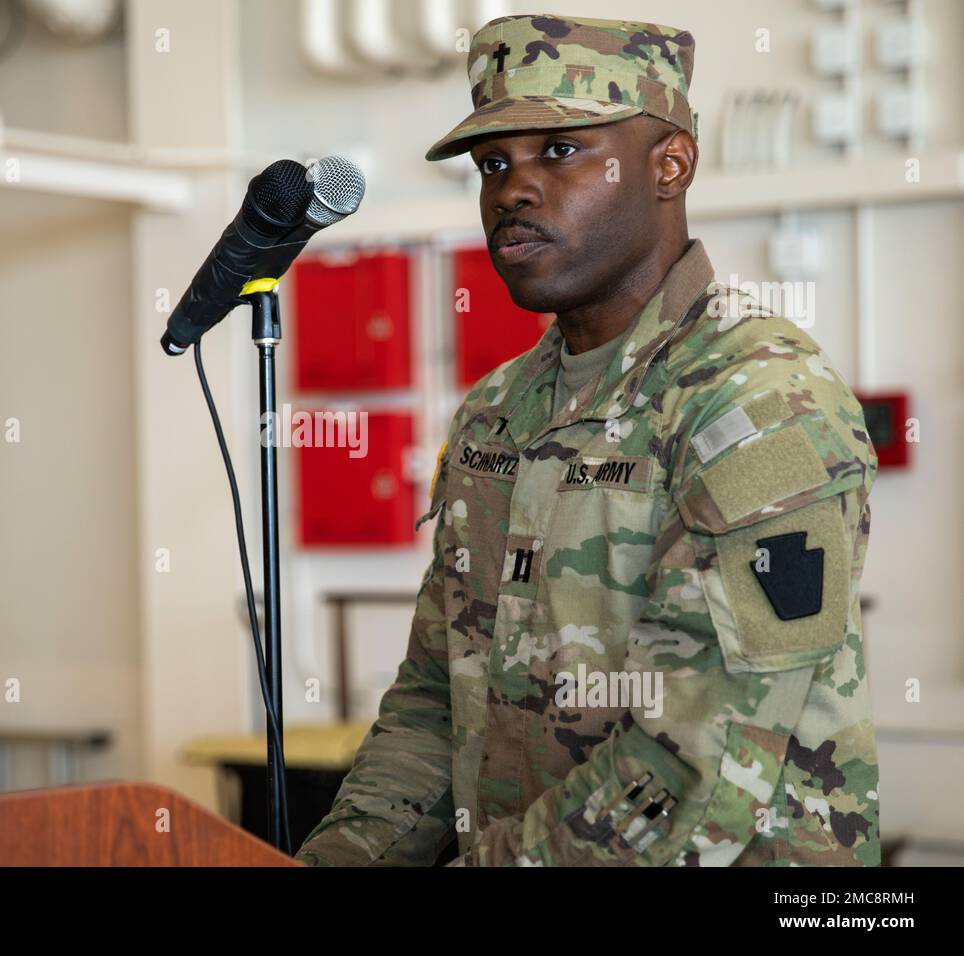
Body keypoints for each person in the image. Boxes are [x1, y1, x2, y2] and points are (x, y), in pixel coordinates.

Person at [296, 13, 880, 867]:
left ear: (670, 164)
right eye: (494, 164)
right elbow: (432, 701)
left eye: (560, 151)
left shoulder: (758, 401)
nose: (512, 190)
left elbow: (694, 769)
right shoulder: (497, 412)